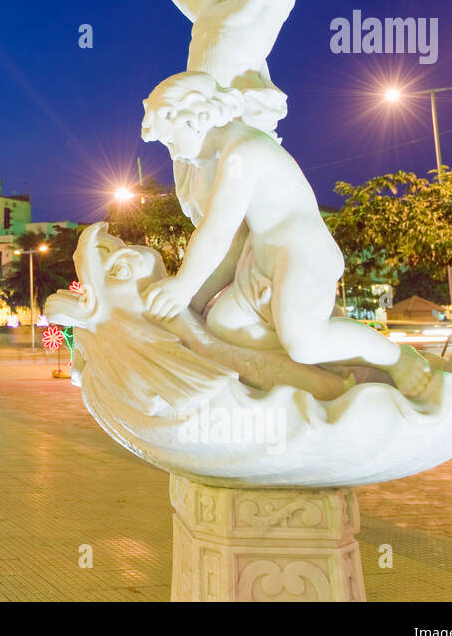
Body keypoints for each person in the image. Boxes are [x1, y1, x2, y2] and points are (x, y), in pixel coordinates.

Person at [141, 71, 432, 397]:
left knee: (304, 343)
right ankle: (322, 363)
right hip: (262, 263)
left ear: (197, 118)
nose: (174, 153)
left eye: (170, 140)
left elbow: (216, 233)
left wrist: (182, 287)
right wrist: (194, 298)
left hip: (302, 259)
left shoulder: (245, 152)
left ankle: (396, 359)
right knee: (224, 325)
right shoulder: (233, 154)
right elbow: (234, 243)